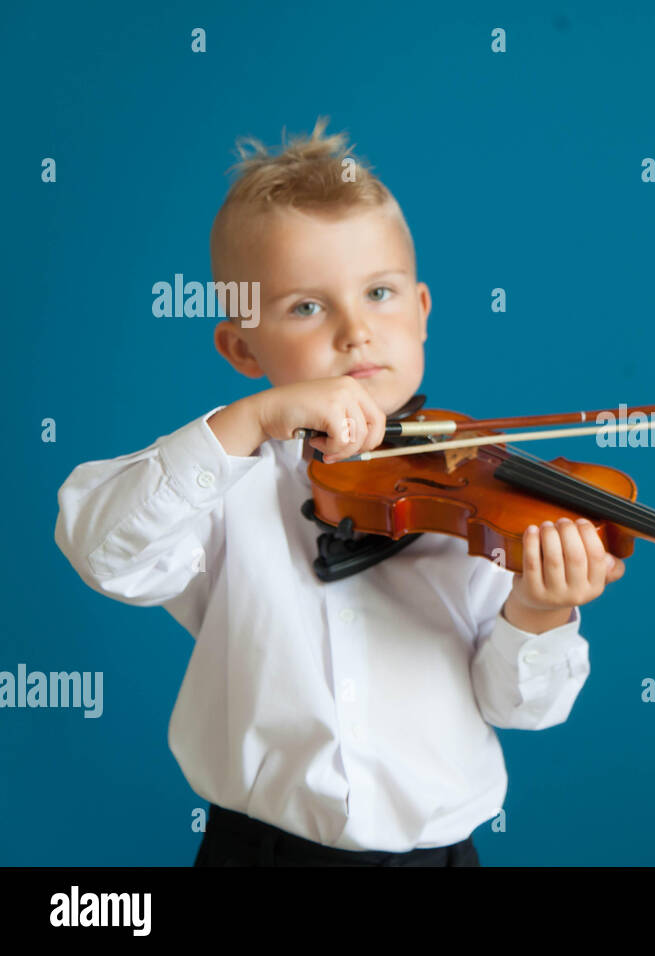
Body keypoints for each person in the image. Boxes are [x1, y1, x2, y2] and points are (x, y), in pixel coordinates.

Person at [53, 117, 624, 866]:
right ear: (240, 347)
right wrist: (247, 421)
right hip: (260, 852)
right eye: (307, 307)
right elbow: (104, 549)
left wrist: (542, 611)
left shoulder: (479, 493)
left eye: (380, 293)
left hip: (434, 856)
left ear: (421, 311)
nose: (356, 333)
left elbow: (522, 708)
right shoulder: (228, 486)